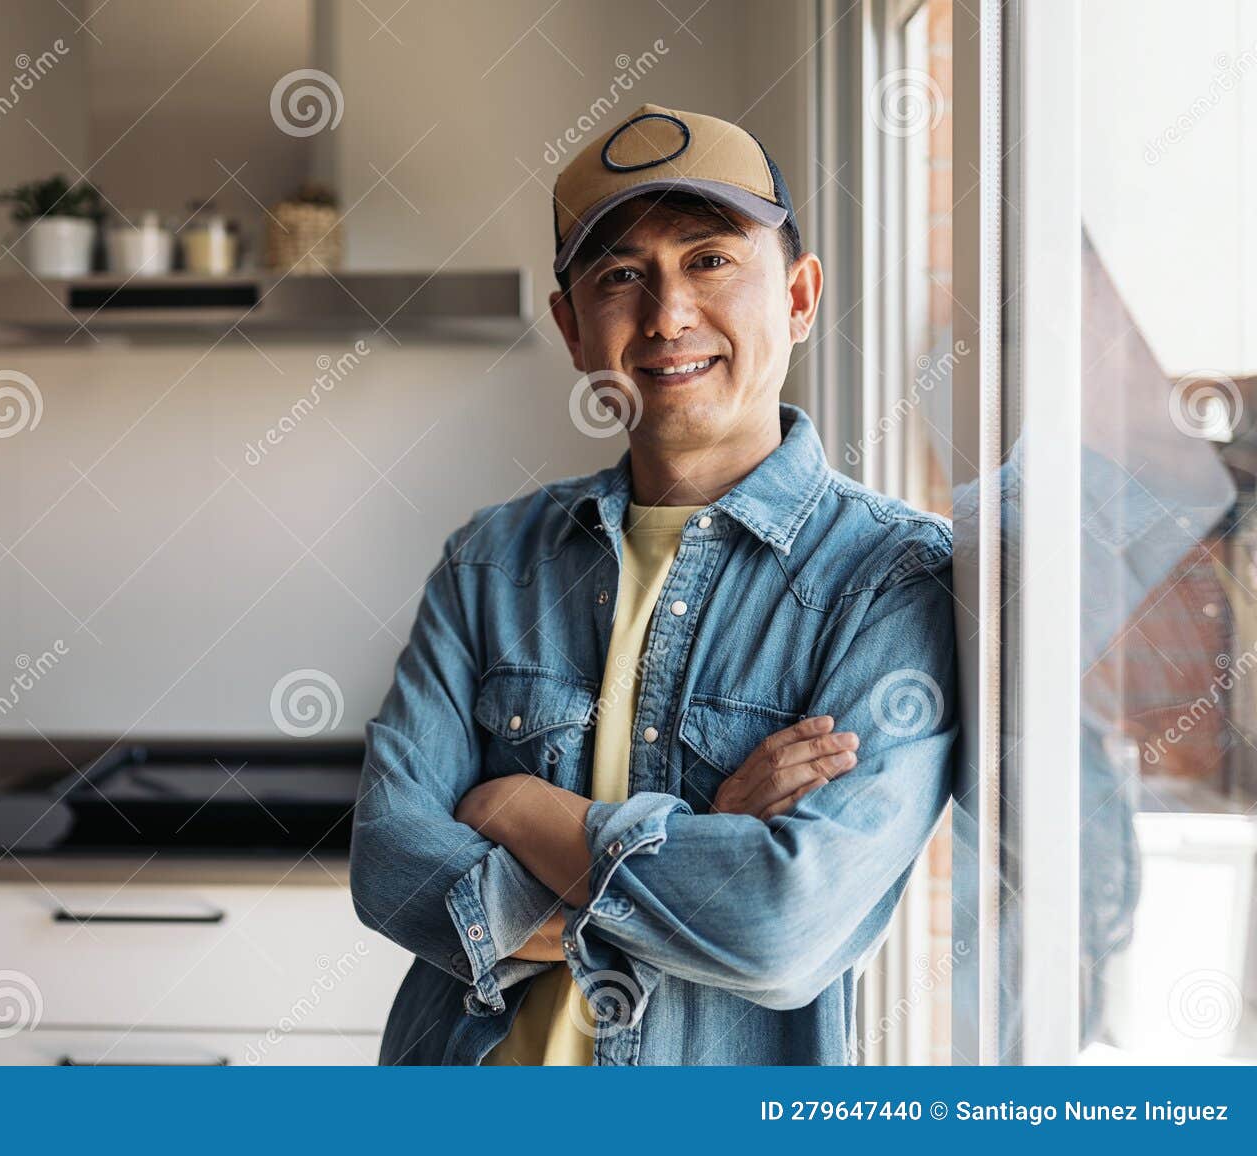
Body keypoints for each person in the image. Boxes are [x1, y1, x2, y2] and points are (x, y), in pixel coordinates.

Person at [349, 104, 958, 1065]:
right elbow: (389, 865)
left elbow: (779, 928)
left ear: (799, 297)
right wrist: (703, 848)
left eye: (709, 260)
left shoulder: (892, 578)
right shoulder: (492, 562)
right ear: (573, 328)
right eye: (620, 276)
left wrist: (516, 808)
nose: (668, 316)